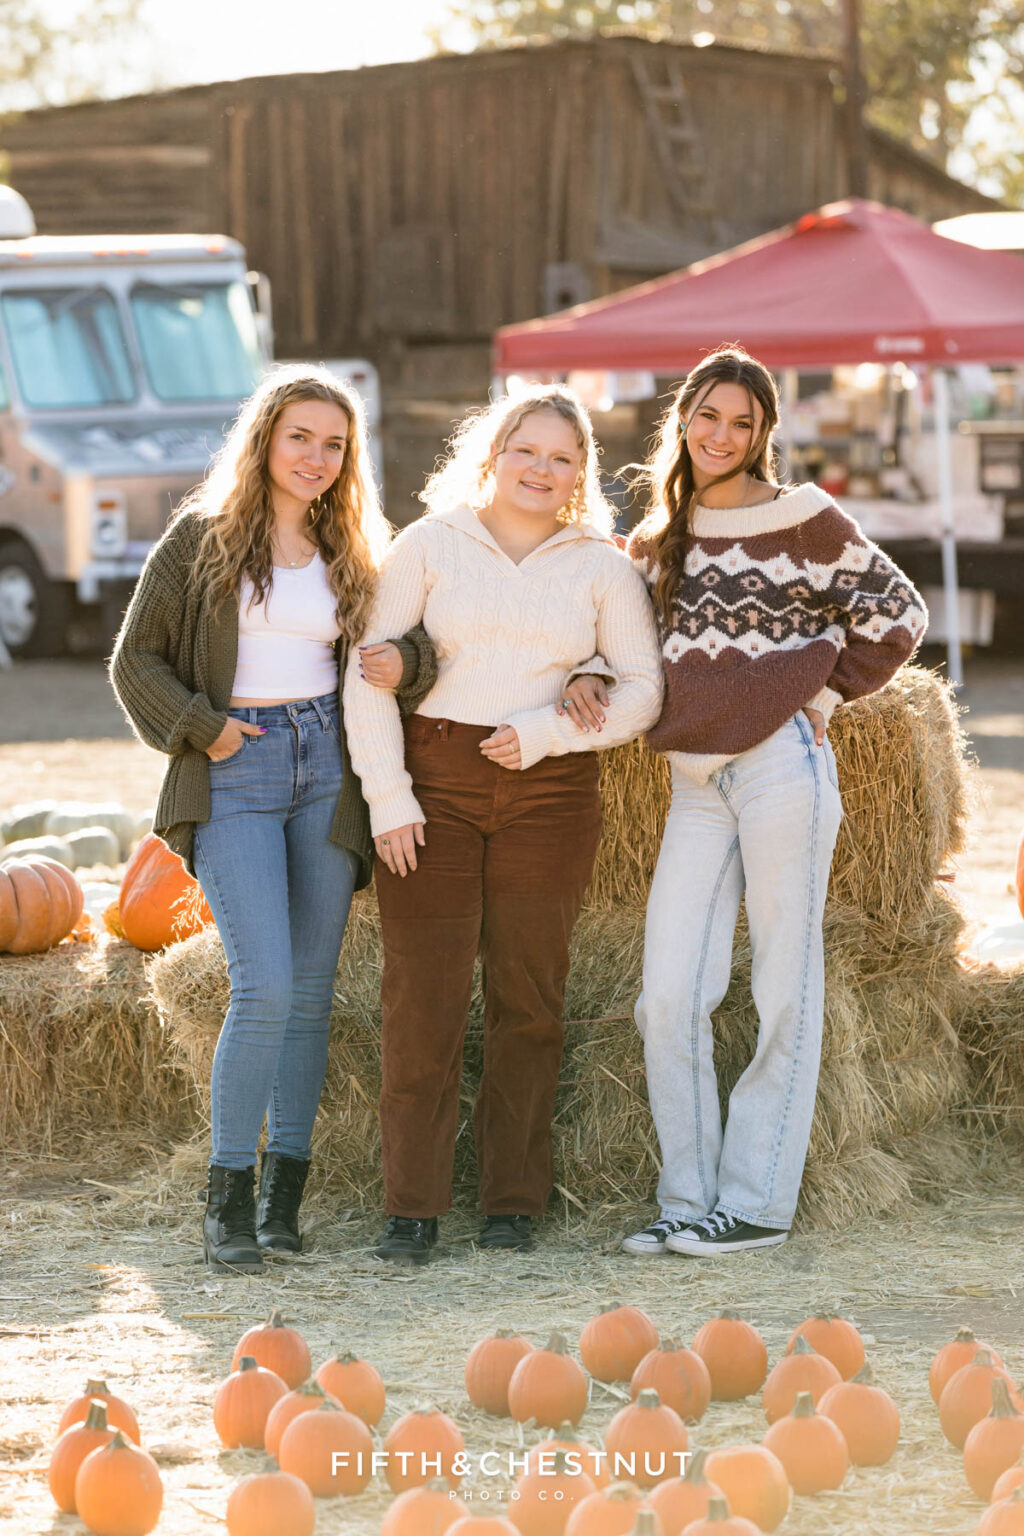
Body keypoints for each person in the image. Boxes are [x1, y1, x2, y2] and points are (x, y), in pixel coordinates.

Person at [565, 346, 927, 1257]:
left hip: (779, 775)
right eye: (708, 417)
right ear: (683, 421)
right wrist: (584, 671)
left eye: (743, 422)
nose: (723, 435)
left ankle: (756, 1203)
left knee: (782, 986)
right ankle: (686, 1201)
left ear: (764, 433)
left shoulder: (803, 518)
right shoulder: (658, 539)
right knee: (667, 997)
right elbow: (630, 648)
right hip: (694, 787)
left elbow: (897, 613)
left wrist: (823, 695)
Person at [111, 365, 434, 1272]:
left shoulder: (358, 553)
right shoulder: (200, 543)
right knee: (265, 987)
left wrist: (404, 659)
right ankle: (227, 1199)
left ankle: (284, 1197)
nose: (317, 458)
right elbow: (134, 662)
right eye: (301, 437)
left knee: (312, 994)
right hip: (235, 772)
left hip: (327, 770)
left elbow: (418, 644)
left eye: (335, 444)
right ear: (264, 441)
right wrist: (203, 729)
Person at [343, 385, 663, 1264]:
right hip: (435, 782)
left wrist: (549, 730)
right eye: (528, 449)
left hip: (551, 791)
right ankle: (412, 1210)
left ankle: (510, 1205)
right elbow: (366, 676)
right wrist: (390, 797)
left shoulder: (600, 565)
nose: (542, 469)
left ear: (579, 476)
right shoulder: (429, 544)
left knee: (530, 1001)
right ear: (494, 452)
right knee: (424, 999)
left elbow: (642, 689)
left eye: (563, 458)